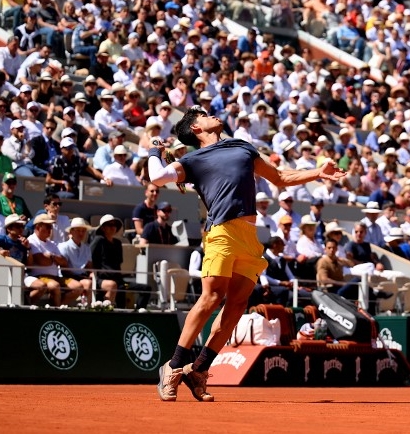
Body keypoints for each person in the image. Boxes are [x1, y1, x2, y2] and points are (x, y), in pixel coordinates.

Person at [153, 104, 345, 402]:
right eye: (204, 115)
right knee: (211, 298)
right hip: (222, 233)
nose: (212, 114)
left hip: (249, 237)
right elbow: (157, 178)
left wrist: (317, 172)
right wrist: (155, 152)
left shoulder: (242, 147)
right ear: (196, 128)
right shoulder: (193, 159)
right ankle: (174, 366)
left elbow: (280, 177)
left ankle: (199, 369)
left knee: (237, 305)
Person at [90, 213, 152, 309]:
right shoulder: (98, 241)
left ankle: (139, 313)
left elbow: (118, 263)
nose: (113, 227)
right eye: (109, 225)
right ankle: (112, 311)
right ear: (103, 228)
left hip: (119, 281)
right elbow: (90, 259)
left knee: (146, 288)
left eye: (114, 225)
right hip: (102, 280)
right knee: (117, 288)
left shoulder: (118, 243)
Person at [24, 213, 80, 307]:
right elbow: (42, 261)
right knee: (55, 286)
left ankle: (58, 307)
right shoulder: (31, 240)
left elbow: (64, 262)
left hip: (55, 276)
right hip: (39, 276)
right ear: (38, 227)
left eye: (51, 226)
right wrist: (54, 259)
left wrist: (51, 256)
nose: (51, 229)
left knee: (78, 287)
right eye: (48, 226)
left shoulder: (52, 243)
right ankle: (57, 312)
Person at [58, 217, 95, 304]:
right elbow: (64, 270)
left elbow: (89, 266)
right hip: (65, 277)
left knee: (89, 283)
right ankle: (61, 307)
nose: (81, 233)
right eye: (78, 230)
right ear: (71, 232)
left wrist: (92, 274)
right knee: (79, 286)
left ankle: (86, 309)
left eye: (83, 231)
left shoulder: (86, 248)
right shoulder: (63, 246)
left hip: (79, 277)